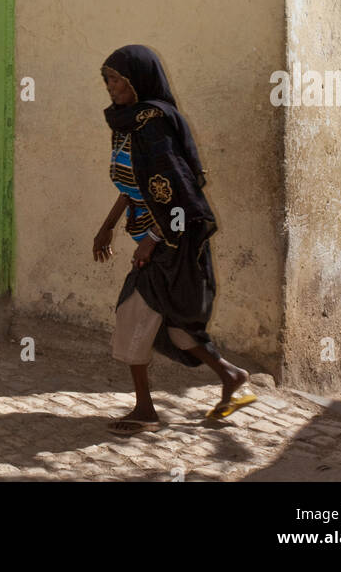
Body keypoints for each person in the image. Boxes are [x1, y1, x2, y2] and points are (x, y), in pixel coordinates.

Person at [93, 43, 256, 433]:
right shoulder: (128, 124)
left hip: (173, 243)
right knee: (172, 320)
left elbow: (181, 194)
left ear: (138, 80)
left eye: (117, 79)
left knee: (134, 312)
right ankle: (230, 375)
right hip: (156, 239)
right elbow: (134, 185)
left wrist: (152, 238)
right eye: (107, 80)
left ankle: (145, 410)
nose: (111, 87)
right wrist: (108, 224)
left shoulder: (153, 124)